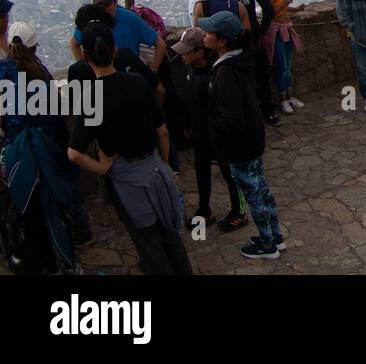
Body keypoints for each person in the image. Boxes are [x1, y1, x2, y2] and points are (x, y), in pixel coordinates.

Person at [66, 20, 192, 274]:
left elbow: (74, 153)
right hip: (156, 169)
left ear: (85, 55)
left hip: (126, 179)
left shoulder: (91, 97)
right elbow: (163, 131)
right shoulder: (137, 82)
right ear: (114, 51)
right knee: (171, 235)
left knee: (149, 244)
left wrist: (101, 167)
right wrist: (166, 167)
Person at [1, 18, 91, 270]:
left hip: (17, 152)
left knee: (27, 208)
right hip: (46, 149)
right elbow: (55, 120)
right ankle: (74, 243)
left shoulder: (2, 73)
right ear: (34, 47)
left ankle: (40, 258)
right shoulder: (41, 76)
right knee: (57, 205)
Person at [197, 11, 284, 260]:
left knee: (254, 194)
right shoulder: (242, 61)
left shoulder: (225, 72)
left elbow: (229, 118)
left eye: (209, 31)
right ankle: (275, 235)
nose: (204, 34)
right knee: (262, 189)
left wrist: (219, 144)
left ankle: (268, 245)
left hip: (240, 145)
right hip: (252, 138)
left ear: (222, 40)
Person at [170, 27, 244, 234]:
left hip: (216, 134)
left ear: (200, 52)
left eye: (186, 51)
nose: (182, 55)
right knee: (201, 171)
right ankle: (204, 209)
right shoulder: (190, 70)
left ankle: (239, 210)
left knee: (229, 172)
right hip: (199, 132)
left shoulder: (215, 73)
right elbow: (188, 100)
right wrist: (187, 125)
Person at [222, 0, 279, 127]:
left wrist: (261, 31)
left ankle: (268, 111)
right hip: (232, 46)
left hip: (253, 42)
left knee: (262, 78)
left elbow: (268, 9)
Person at [68, 0, 167, 71]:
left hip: (128, 75)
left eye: (106, 5)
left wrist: (152, 72)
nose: (103, 9)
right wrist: (86, 68)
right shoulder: (90, 21)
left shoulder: (130, 19)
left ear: (115, 3)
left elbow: (160, 44)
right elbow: (73, 43)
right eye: (99, 5)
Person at [261, 0, 304, 116]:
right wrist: (285, 2)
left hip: (285, 28)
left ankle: (289, 94)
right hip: (276, 32)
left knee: (287, 65)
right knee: (282, 66)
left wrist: (294, 8)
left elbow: (281, 8)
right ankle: (282, 98)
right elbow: (269, 12)